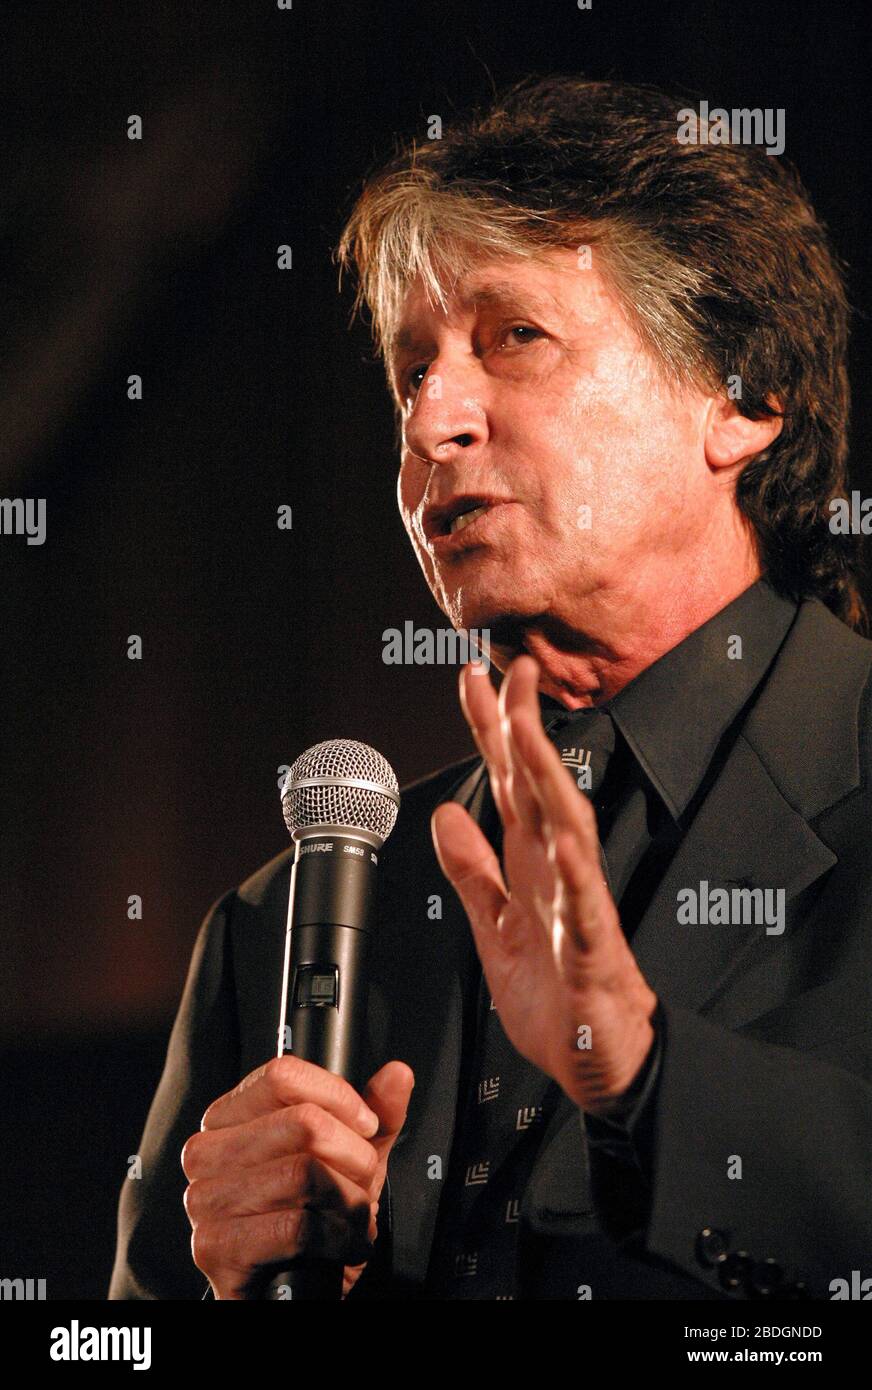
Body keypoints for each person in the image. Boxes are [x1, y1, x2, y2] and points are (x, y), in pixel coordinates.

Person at [109, 76, 872, 1301]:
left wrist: (644, 1076)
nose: (432, 421)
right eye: (409, 372)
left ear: (740, 398)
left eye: (512, 337)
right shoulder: (282, 919)